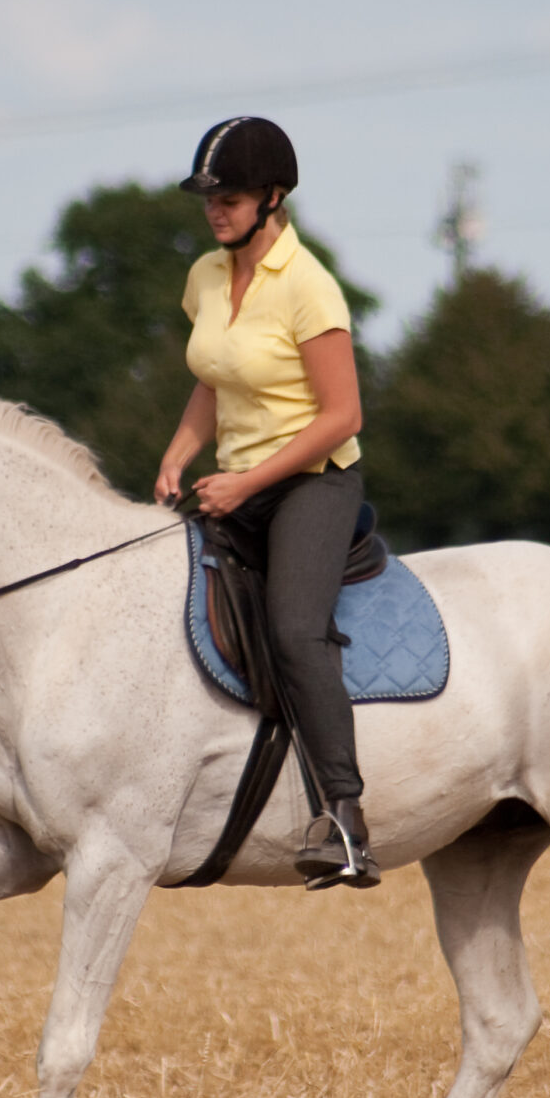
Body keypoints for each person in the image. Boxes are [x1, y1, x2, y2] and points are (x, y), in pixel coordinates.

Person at [154, 116, 376, 890]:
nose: (215, 208)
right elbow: (217, 376)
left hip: (312, 482)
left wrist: (246, 483)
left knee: (292, 628)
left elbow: (342, 416)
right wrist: (179, 454)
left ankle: (345, 820)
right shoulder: (206, 278)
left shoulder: (310, 286)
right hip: (231, 482)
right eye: (208, 195)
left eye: (232, 195)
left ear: (272, 198)